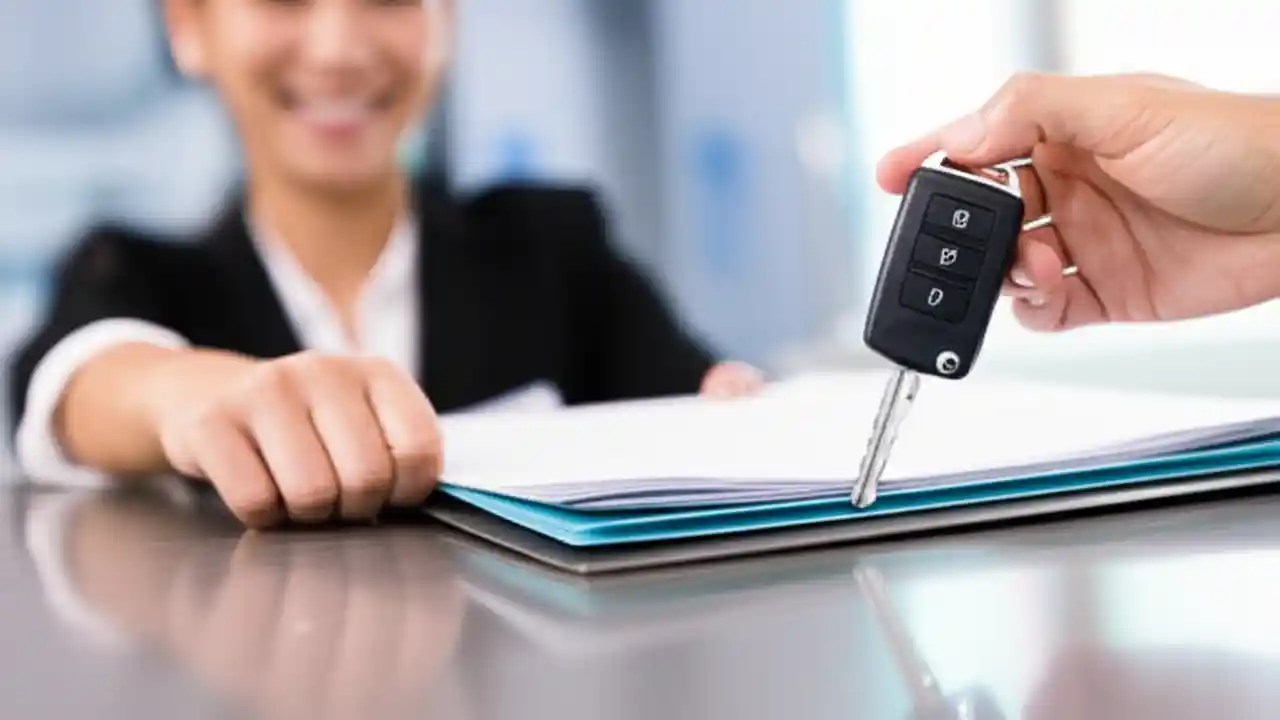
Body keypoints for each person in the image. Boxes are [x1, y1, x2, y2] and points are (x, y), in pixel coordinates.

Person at [7, 0, 763, 528]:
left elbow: (702, 407)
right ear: (189, 26)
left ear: (447, 22)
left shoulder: (553, 246)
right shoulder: (135, 271)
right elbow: (76, 384)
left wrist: (745, 421)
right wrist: (186, 394)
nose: (339, 50)